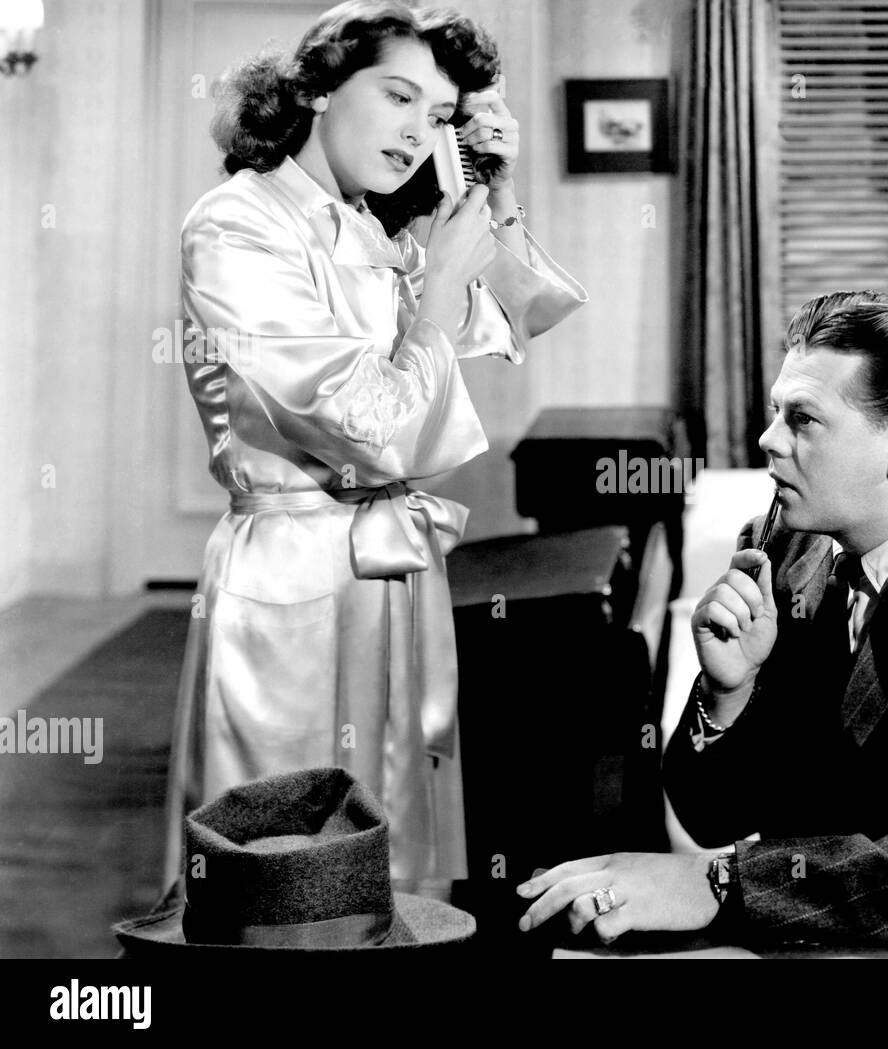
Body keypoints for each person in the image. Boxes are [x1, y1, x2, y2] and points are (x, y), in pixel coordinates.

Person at [517, 291, 888, 946]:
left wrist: (723, 883)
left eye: (803, 420)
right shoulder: (785, 543)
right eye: (775, 414)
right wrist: (726, 693)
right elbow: (712, 817)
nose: (767, 440)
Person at [163, 1, 586, 898]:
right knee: (285, 863)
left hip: (393, 571)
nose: (414, 131)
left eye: (436, 117)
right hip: (293, 576)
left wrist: (495, 192)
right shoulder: (237, 222)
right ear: (316, 87)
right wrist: (432, 301)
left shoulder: (373, 226)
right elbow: (364, 420)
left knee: (398, 851)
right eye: (398, 96)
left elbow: (514, 316)